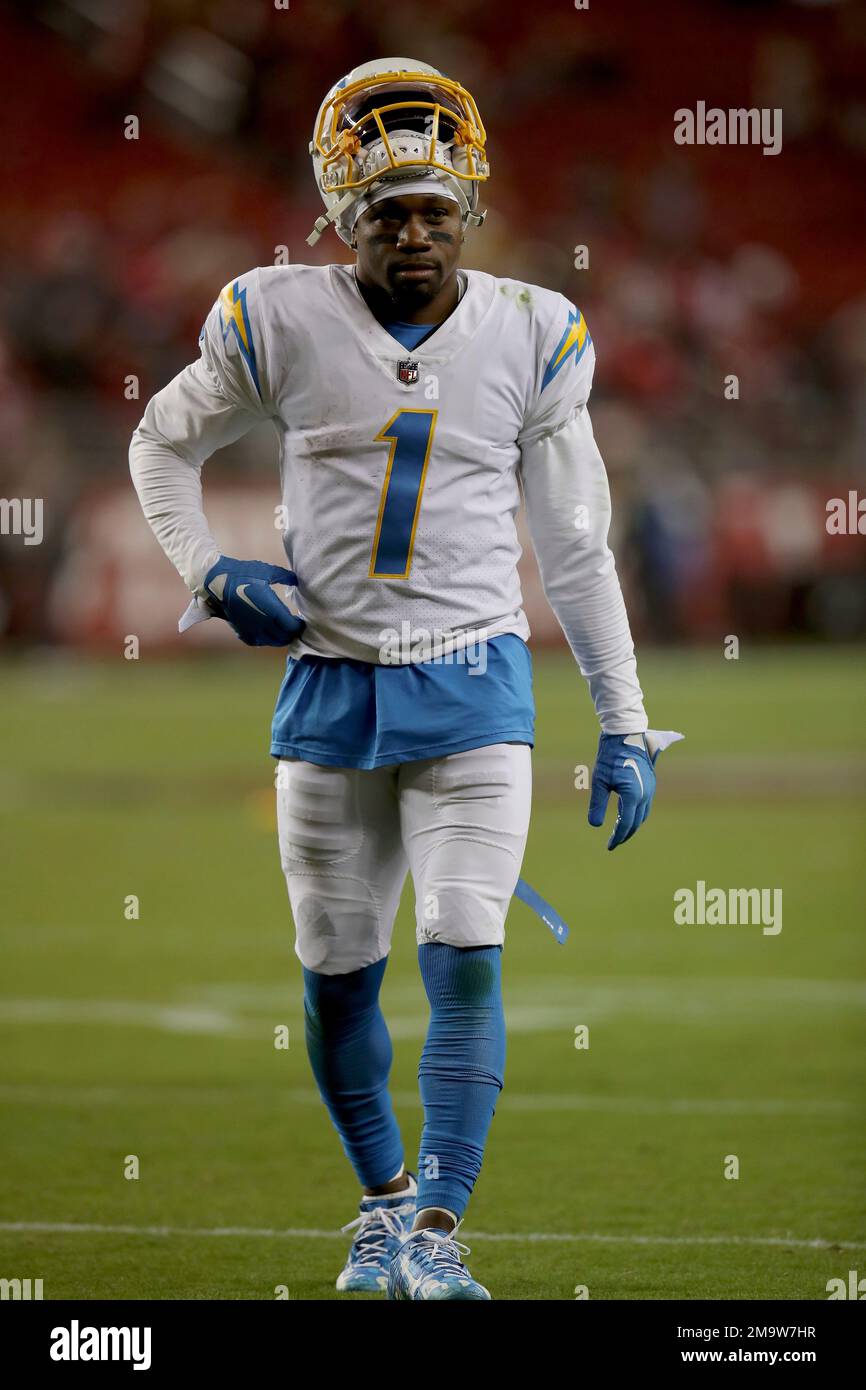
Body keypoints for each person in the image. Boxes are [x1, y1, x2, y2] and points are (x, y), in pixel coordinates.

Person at [130, 57, 678, 1301]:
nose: (414, 235)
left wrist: (626, 721)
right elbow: (160, 442)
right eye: (388, 213)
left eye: (435, 209)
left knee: (463, 944)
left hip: (474, 682)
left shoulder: (534, 331)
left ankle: (436, 1229)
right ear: (341, 215)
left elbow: (576, 544)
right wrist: (209, 569)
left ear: (471, 208)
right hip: (328, 684)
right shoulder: (276, 315)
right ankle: (378, 1209)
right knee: (334, 971)